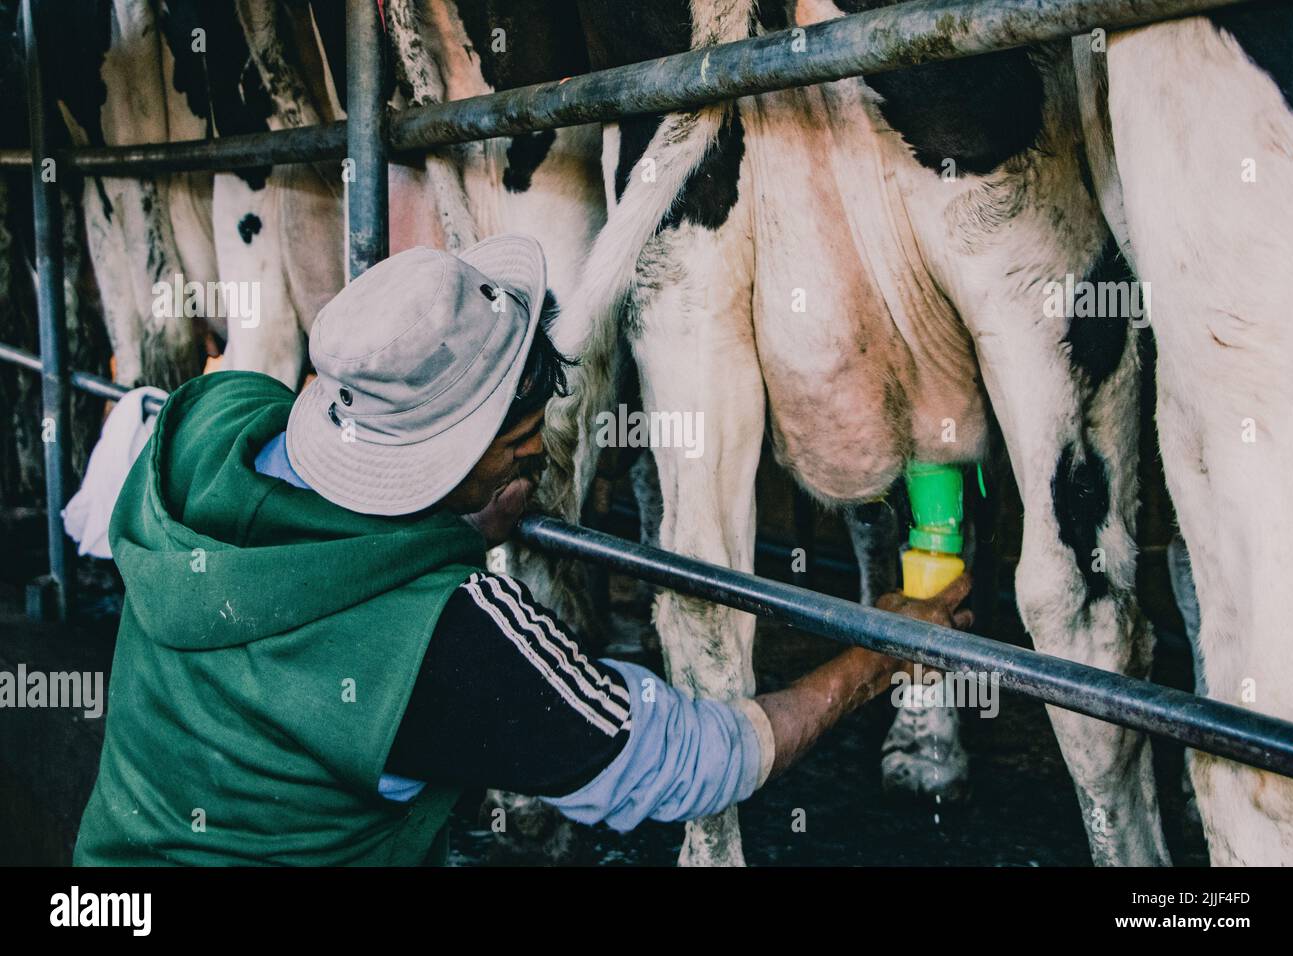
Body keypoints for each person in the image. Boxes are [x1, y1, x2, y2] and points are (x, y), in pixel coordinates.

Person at [74, 235, 973, 866]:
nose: (539, 466)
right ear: (452, 463)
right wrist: (874, 655)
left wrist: (443, 496)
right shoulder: (452, 643)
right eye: (519, 448)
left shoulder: (204, 430)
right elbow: (692, 760)